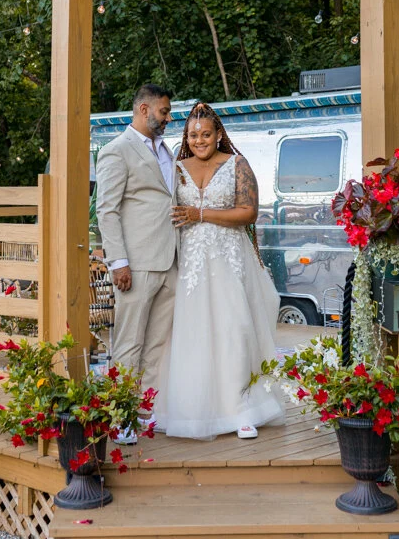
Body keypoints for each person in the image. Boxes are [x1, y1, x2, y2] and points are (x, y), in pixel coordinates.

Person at [158, 102, 285, 440]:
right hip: (189, 261)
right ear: (186, 137)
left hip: (229, 258)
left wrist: (201, 214)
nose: (199, 140)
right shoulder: (175, 167)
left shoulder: (236, 165)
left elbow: (249, 212)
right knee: (190, 332)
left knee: (235, 328)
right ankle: (190, 408)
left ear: (218, 136)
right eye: (193, 135)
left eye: (206, 134)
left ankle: (240, 408)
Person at [94, 84, 176, 443]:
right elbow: (106, 210)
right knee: (128, 343)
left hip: (170, 259)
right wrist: (118, 262)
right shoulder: (117, 151)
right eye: (163, 111)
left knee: (158, 344)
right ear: (144, 109)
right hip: (136, 263)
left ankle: (145, 412)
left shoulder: (167, 151)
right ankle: (119, 416)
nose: (168, 117)